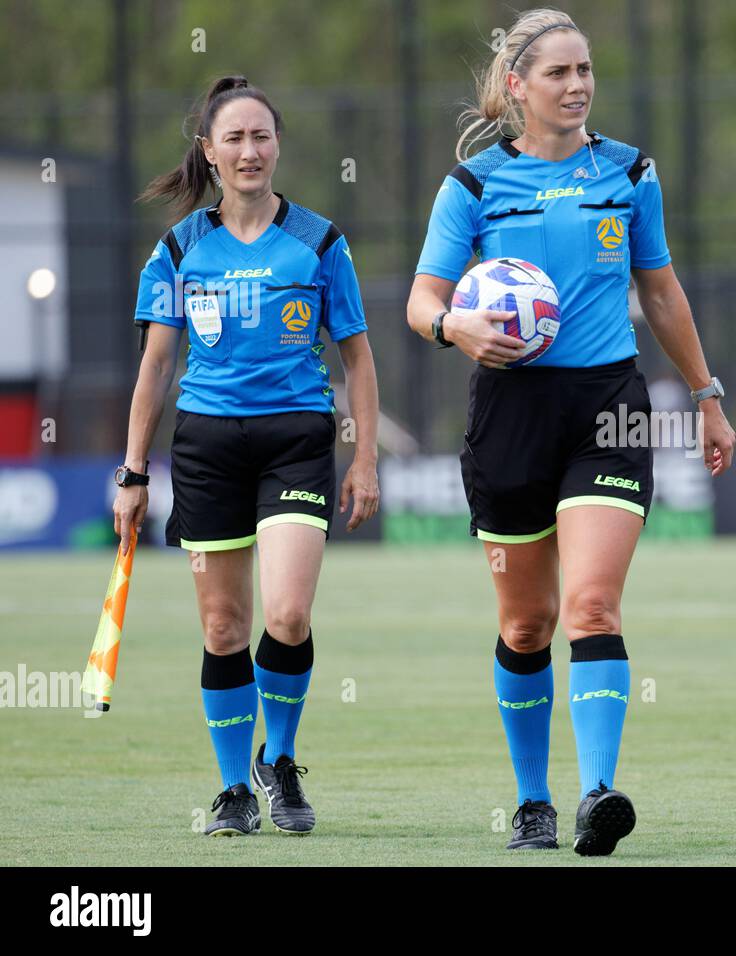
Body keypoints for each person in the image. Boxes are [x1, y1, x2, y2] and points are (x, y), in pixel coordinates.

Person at [406, 8, 735, 856]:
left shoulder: (629, 172)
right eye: (558, 73)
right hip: (510, 410)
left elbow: (660, 291)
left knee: (593, 603)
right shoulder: (473, 186)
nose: (578, 85)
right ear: (518, 87)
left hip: (611, 406)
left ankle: (597, 796)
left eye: (585, 70)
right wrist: (457, 331)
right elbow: (421, 302)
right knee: (527, 626)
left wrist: (705, 393)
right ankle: (531, 802)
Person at [115, 75, 380, 836]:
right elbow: (157, 369)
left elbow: (358, 359)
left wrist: (362, 459)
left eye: (261, 135)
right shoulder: (178, 248)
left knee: (288, 614)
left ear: (278, 144)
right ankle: (233, 789)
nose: (249, 149)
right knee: (225, 628)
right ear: (209, 151)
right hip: (206, 449)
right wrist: (134, 474)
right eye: (233, 137)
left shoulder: (321, 242)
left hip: (296, 439)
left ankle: (282, 759)